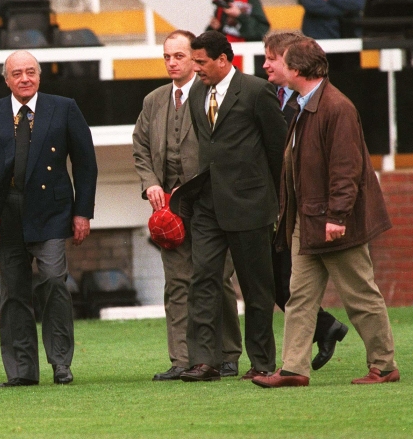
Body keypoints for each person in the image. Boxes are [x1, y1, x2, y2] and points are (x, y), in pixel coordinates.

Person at [254, 39, 398, 388]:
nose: (274, 67)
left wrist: (337, 216)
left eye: (282, 62)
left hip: (334, 222)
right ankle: (293, 369)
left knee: (359, 294)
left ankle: (384, 364)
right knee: (299, 296)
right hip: (310, 220)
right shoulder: (308, 105)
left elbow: (346, 169)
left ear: (298, 70)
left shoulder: (336, 108)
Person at [0, 50, 98, 387]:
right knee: (13, 292)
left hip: (51, 211)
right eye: (17, 73)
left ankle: (60, 363)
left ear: (40, 76)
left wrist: (82, 213)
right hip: (6, 215)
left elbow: (86, 164)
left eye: (30, 72)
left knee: (53, 282)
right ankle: (21, 372)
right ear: (6, 80)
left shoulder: (64, 108)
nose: (25, 78)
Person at [132, 30, 243, 381]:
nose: (171, 63)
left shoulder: (213, 96)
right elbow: (140, 148)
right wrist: (150, 182)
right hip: (170, 212)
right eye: (167, 57)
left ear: (194, 59)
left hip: (212, 205)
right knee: (177, 283)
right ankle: (181, 359)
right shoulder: (153, 100)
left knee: (217, 280)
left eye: (178, 56)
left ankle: (227, 355)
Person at [180, 31, 287, 382]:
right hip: (208, 204)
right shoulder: (197, 92)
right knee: (202, 280)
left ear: (223, 60)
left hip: (250, 204)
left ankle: (261, 363)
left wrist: (276, 200)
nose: (195, 69)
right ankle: (204, 361)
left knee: (257, 288)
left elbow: (277, 149)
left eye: (200, 62)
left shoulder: (257, 91)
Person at [262, 30, 350, 369]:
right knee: (279, 283)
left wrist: (335, 212)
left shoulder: (323, 101)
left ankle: (380, 359)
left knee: (351, 288)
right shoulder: (266, 95)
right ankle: (324, 331)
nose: (266, 64)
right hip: (277, 206)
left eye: (272, 58)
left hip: (310, 210)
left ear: (291, 61)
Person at [207, 0, 270, 70]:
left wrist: (240, 15)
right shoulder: (223, 1)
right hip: (227, 54)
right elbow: (219, 33)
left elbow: (262, 28)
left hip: (249, 56)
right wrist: (216, 27)